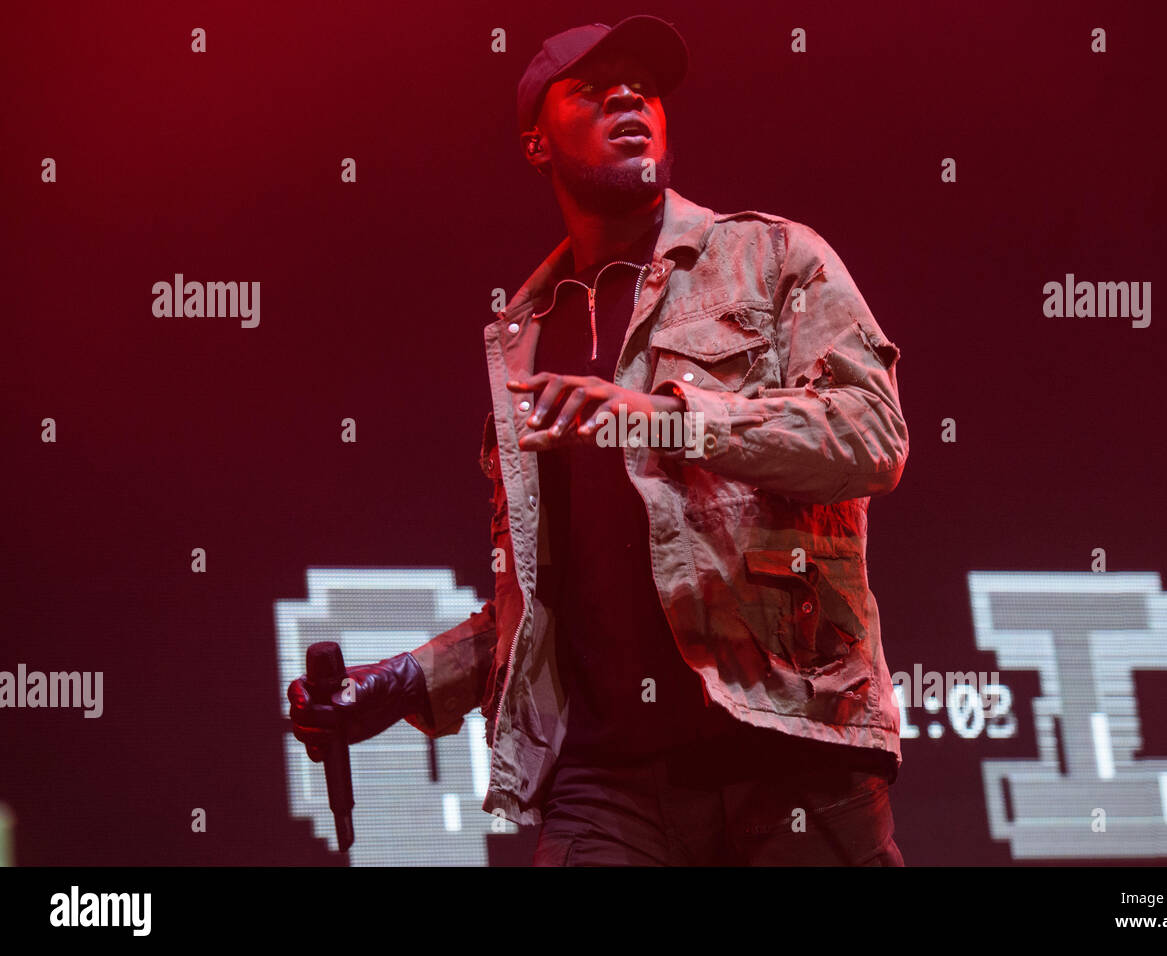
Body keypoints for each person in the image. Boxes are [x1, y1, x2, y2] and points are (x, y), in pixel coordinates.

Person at [288, 14, 910, 866]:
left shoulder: (772, 258)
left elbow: (871, 435)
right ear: (537, 144)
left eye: (644, 87)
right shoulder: (523, 336)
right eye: (592, 87)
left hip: (788, 745)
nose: (629, 96)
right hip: (607, 783)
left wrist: (660, 414)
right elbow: (548, 600)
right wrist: (404, 684)